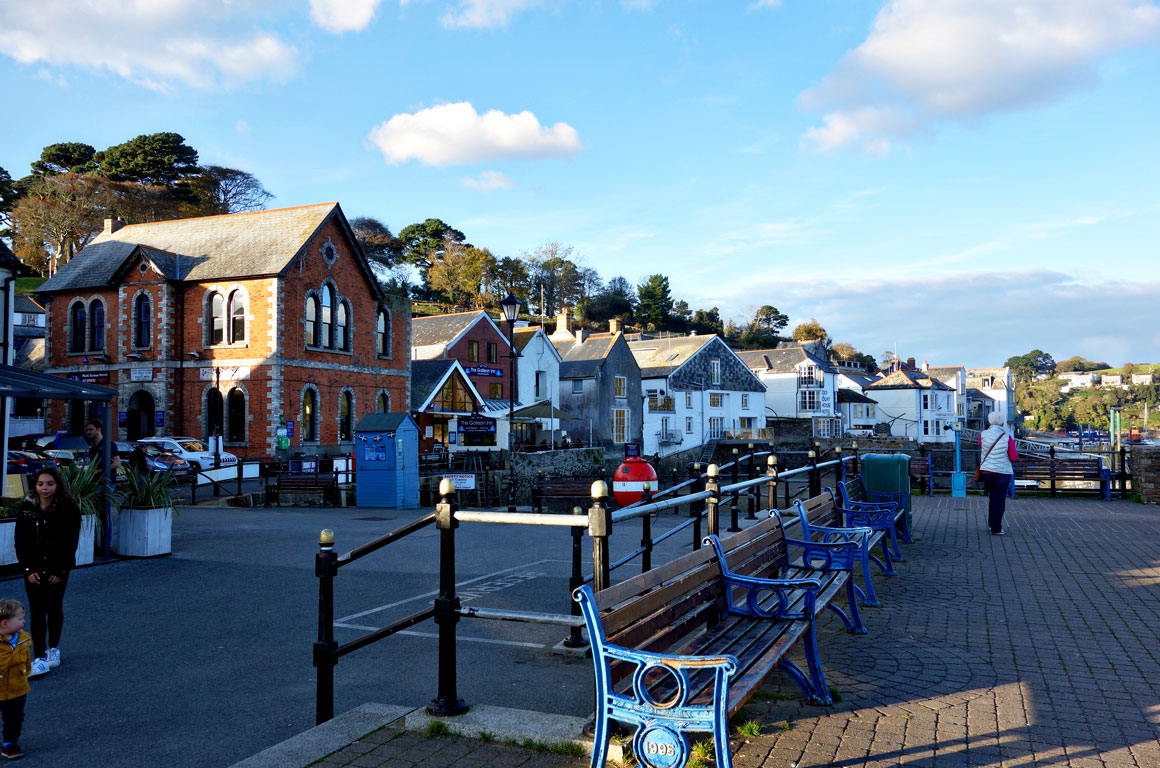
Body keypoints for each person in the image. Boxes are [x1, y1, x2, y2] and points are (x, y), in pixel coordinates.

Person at [14, 467, 82, 678]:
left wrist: (61, 570)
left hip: (57, 568)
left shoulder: (68, 508)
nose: (45, 488)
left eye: (50, 484)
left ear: (57, 485)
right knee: (36, 611)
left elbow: (70, 543)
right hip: (33, 568)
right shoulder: (27, 507)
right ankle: (40, 656)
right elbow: (20, 542)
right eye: (41, 484)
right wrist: (27, 569)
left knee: (53, 607)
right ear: (35, 485)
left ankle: (53, 648)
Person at [0, 599, 32, 760]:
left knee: (15, 717)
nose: (23, 621)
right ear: (5, 623)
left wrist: (26, 671)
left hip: (17, 687)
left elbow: (26, 658)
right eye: (19, 619)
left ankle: (10, 743)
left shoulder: (23, 638)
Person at [978, 412, 1017, 535]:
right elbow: (1013, 456)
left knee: (992, 497)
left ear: (989, 422)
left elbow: (980, 444)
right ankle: (996, 528)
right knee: (999, 499)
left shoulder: (983, 435)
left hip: (987, 471)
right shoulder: (1007, 436)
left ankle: (991, 524)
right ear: (1002, 422)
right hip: (1003, 472)